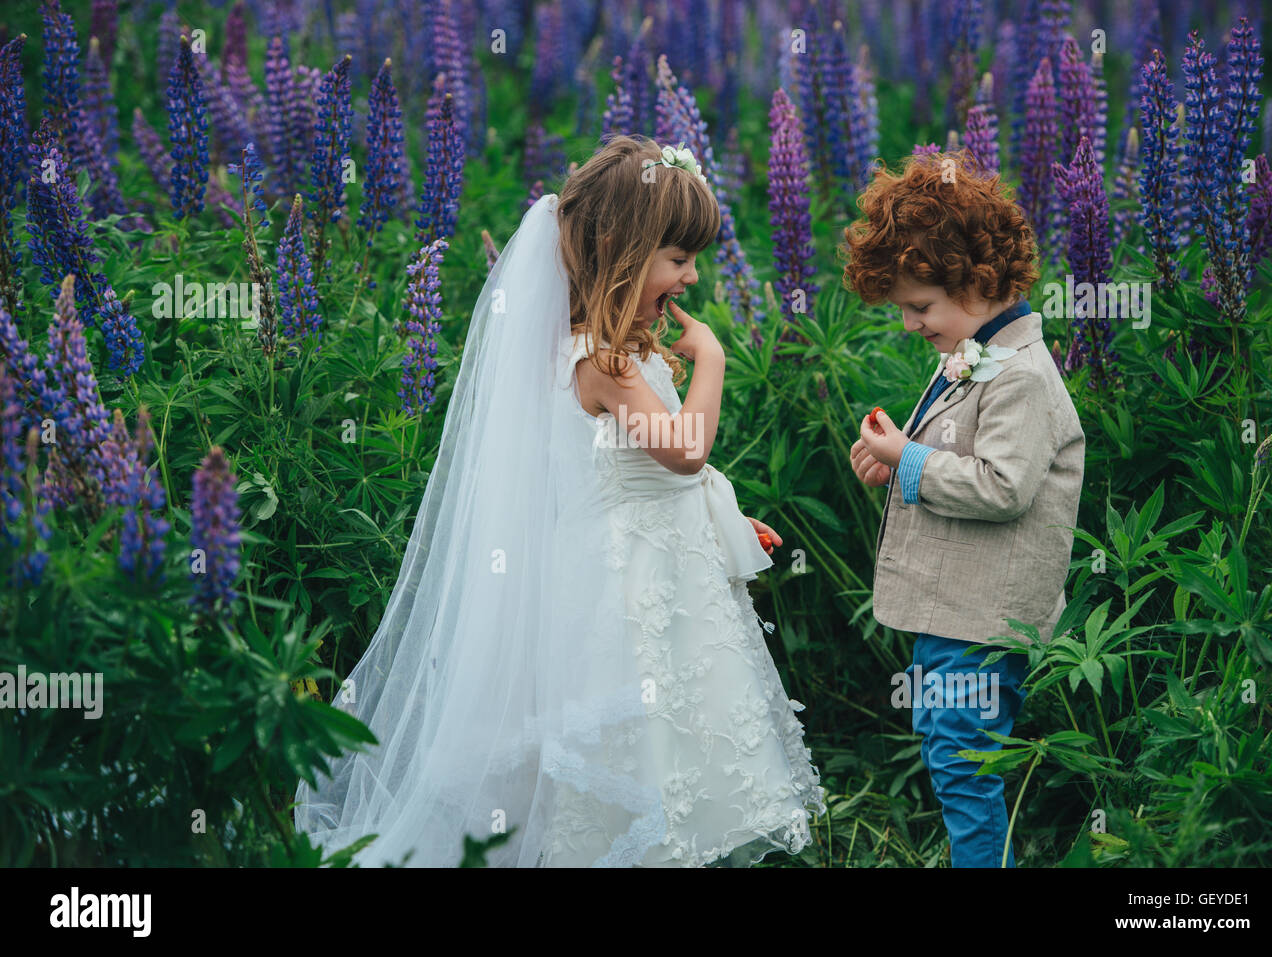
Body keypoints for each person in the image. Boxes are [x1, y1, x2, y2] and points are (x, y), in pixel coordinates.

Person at [294, 134, 825, 867]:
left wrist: (727, 520)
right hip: (627, 585)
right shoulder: (601, 363)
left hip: (666, 567)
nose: (693, 277)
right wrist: (714, 360)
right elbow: (686, 449)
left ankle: (671, 841)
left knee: (682, 720)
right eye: (677, 259)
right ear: (623, 253)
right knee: (641, 728)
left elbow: (671, 476)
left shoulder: (622, 353)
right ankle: (624, 844)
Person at [841, 150, 1085, 867]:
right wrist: (894, 460)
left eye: (920, 307)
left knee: (961, 757)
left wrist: (907, 460)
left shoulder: (1021, 376)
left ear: (978, 281)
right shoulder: (975, 354)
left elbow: (1002, 486)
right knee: (951, 745)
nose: (912, 324)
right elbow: (950, 457)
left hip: (986, 613)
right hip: (955, 605)